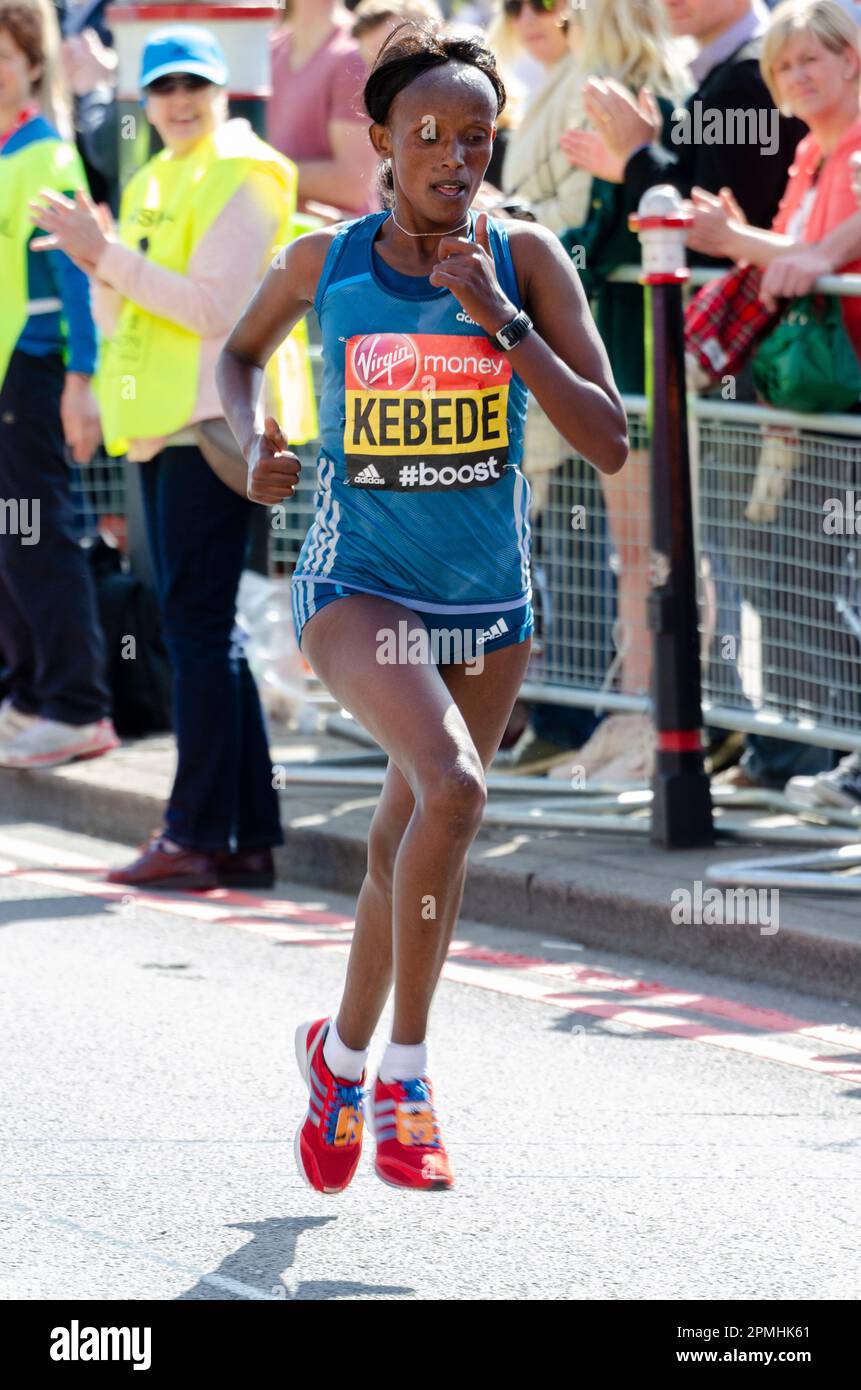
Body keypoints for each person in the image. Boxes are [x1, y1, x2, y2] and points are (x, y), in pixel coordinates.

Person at [217, 23, 627, 1192]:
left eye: (477, 137)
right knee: (452, 786)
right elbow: (241, 356)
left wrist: (501, 318)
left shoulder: (526, 255)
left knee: (410, 836)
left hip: (489, 598)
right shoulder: (325, 261)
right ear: (382, 144)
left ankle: (335, 1060)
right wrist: (256, 440)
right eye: (430, 136)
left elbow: (606, 438)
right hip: (360, 581)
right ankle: (404, 1077)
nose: (455, 156)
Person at [31, 24, 316, 888]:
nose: (179, 101)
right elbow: (128, 308)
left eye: (193, 84)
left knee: (199, 633)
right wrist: (101, 268)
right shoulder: (155, 175)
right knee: (203, 632)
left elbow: (215, 310)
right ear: (143, 100)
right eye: (163, 88)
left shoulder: (247, 168)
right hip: (167, 428)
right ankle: (243, 837)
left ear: (224, 89)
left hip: (215, 429)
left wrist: (104, 257)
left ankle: (196, 831)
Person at [684, 0, 861, 790]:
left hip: (841, 394)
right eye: (783, 64)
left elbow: (805, 261)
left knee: (824, 570)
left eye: (810, 60)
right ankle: (804, 752)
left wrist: (739, 243)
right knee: (786, 569)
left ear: (851, 59)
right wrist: (744, 243)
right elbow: (792, 257)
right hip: (806, 397)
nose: (794, 75)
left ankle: (830, 756)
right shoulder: (809, 155)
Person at [544, 0, 691, 785]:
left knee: (655, 554)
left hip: (650, 362)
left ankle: (658, 719)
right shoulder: (632, 105)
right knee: (634, 553)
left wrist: (529, 239)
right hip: (624, 362)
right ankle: (636, 710)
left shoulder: (651, 109)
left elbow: (612, 236)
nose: (560, 31)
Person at [0, 0, 117, 770]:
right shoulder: (13, 150)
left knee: (35, 536)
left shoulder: (47, 154)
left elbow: (77, 278)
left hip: (34, 374)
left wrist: (81, 379)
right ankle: (31, 693)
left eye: (3, 57)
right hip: (13, 375)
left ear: (34, 64)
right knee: (14, 539)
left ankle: (77, 706)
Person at [269, 0, 380, 219]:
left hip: (337, 245)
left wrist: (262, 172)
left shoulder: (354, 53)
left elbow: (352, 183)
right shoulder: (272, 49)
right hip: (280, 239)